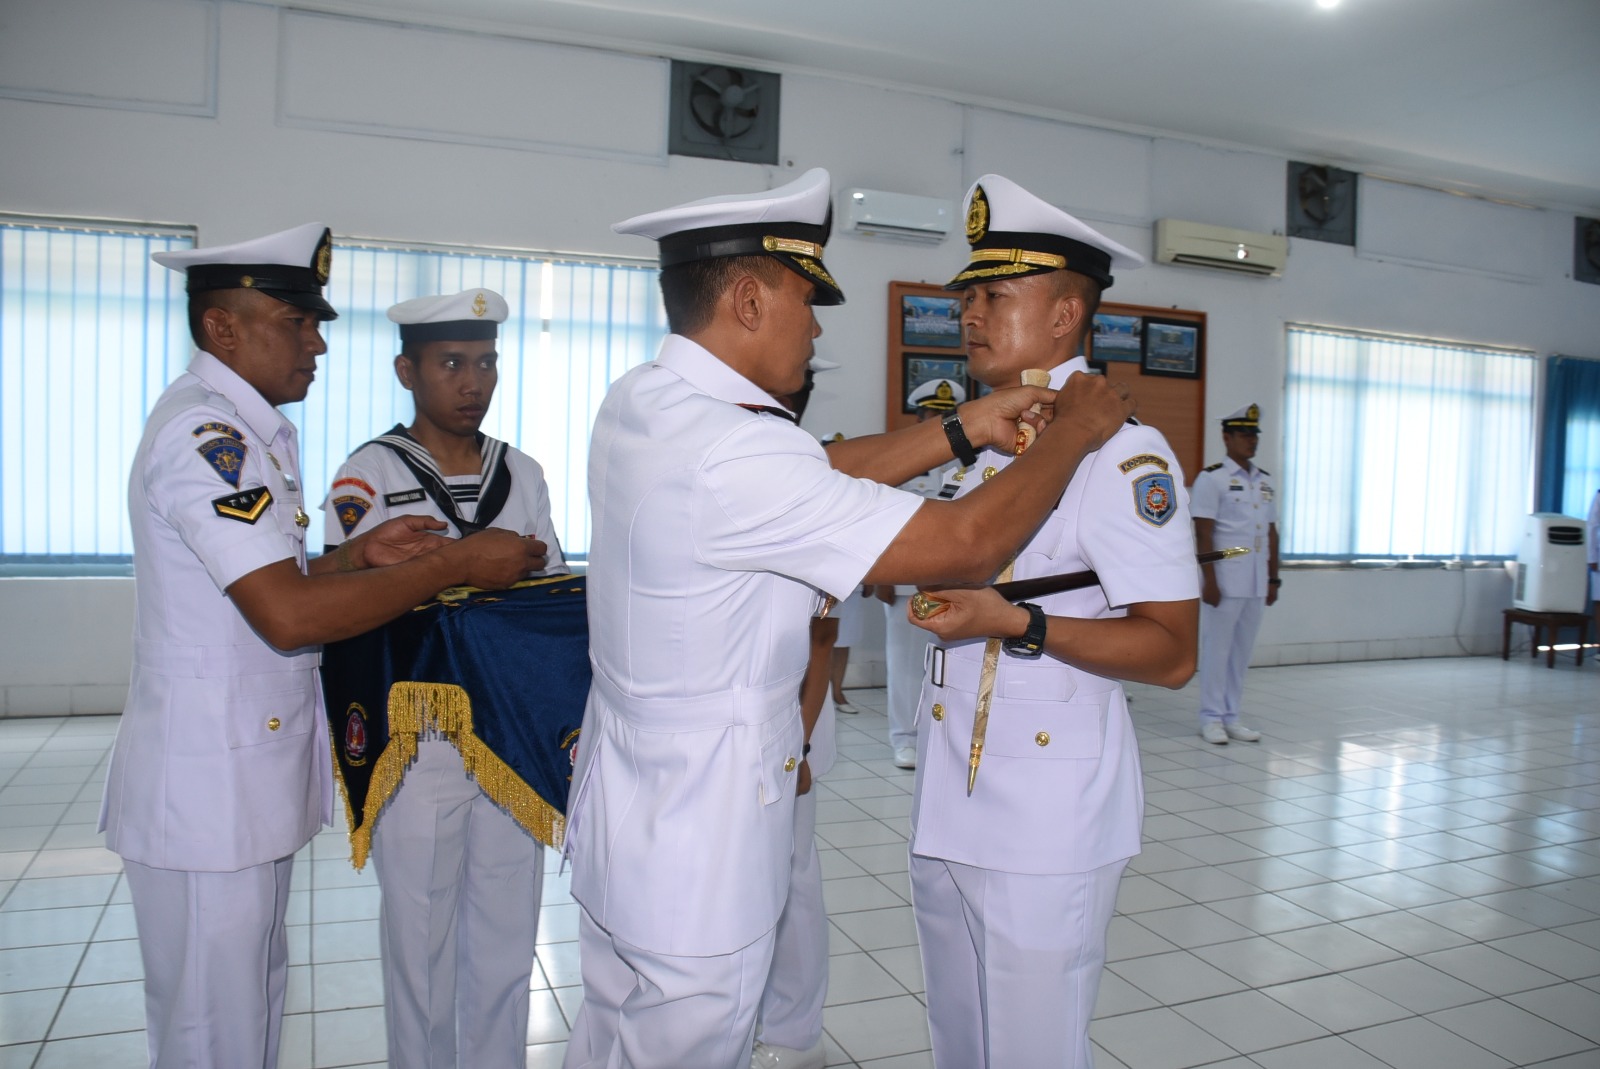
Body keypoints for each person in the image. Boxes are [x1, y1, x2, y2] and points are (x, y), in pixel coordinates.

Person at [562, 167, 1136, 1069]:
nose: (818, 326)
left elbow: (810, 472)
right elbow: (966, 541)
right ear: (749, 302)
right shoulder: (735, 451)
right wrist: (1072, 432)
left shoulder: (645, 400)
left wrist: (964, 428)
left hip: (625, 816)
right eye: (806, 300)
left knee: (609, 1036)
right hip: (699, 842)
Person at [99, 224, 545, 1069]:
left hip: (241, 784)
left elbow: (269, 576)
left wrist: (354, 558)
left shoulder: (252, 433)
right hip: (208, 791)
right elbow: (287, 615)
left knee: (248, 1014)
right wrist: (451, 563)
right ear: (223, 327)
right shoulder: (206, 440)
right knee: (211, 1035)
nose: (318, 343)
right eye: (297, 322)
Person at [907, 174, 1200, 1069]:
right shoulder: (983, 447)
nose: (969, 313)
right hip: (951, 789)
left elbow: (1172, 651)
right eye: (967, 295)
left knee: (1032, 1047)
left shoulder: (1122, 454)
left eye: (996, 295)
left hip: (1045, 809)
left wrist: (1021, 623)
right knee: (961, 1039)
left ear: (1067, 314)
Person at [322, 288, 565, 1069]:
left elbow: (549, 598)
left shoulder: (521, 472)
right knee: (420, 937)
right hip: (417, 739)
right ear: (408, 371)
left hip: (508, 735)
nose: (473, 382)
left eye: (486, 363)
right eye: (452, 363)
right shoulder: (369, 472)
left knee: (506, 934)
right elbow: (347, 599)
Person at [876, 376, 966, 768]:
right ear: (919, 416)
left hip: (957, 581)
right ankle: (905, 738)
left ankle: (941, 736)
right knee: (905, 664)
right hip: (905, 582)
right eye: (933, 413)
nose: (940, 421)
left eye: (947, 415)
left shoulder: (972, 462)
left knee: (952, 663)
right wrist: (882, 575)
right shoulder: (902, 459)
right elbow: (882, 519)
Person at [1191, 403, 1278, 744]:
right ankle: (1211, 717)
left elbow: (1271, 532)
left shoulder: (1264, 481)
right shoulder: (1212, 479)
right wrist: (1209, 580)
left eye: (1254, 435)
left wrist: (1273, 577)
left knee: (1240, 654)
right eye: (1244, 434)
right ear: (1226, 437)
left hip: (1255, 581)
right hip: (1225, 581)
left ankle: (1232, 715)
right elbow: (1203, 532)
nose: (1251, 440)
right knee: (1217, 652)